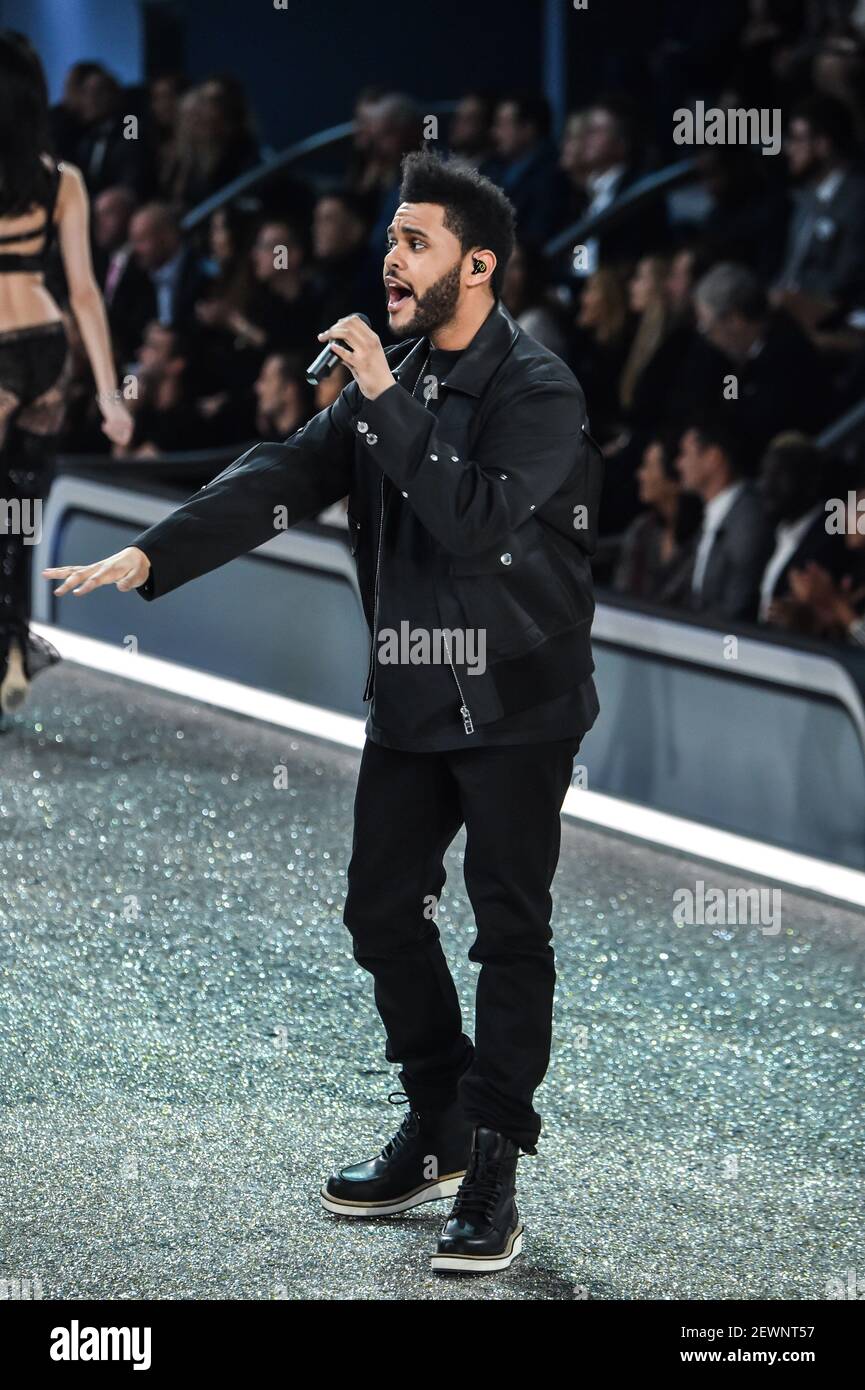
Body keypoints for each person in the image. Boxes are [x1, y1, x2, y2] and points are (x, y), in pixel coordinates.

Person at [43, 150, 602, 1276]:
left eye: (415, 242)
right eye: (390, 239)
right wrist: (153, 555)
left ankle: (492, 1162)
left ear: (476, 266)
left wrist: (386, 399)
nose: (388, 260)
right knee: (379, 913)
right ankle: (439, 1115)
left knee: (509, 930)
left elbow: (476, 521)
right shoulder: (383, 382)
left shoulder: (537, 389)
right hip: (410, 696)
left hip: (517, 705)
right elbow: (277, 476)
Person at [0, 32, 132, 717]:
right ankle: (14, 647)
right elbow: (85, 293)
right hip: (46, 347)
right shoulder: (64, 180)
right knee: (20, 512)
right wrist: (111, 396)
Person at [676, 416, 774, 622]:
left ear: (713, 458)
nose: (678, 464)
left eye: (685, 454)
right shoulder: (715, 515)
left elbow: (736, 608)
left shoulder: (747, 520)